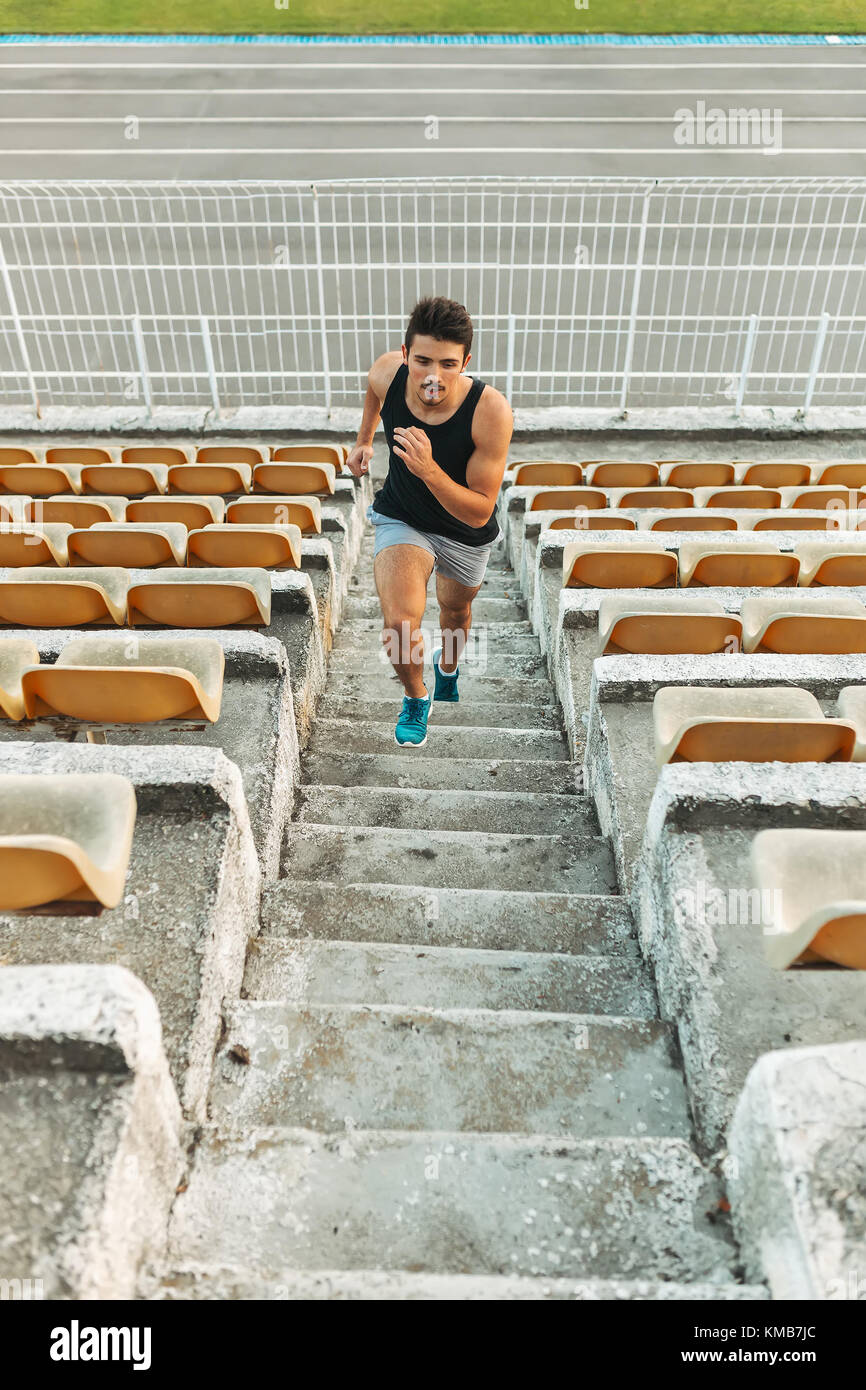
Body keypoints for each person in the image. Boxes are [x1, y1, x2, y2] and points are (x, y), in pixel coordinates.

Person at [345, 296, 514, 748]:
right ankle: (416, 697)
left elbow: (480, 509)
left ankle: (448, 667)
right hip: (403, 516)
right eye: (422, 361)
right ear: (405, 354)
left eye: (447, 364)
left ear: (465, 363)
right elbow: (374, 390)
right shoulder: (389, 372)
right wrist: (364, 440)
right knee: (400, 625)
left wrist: (429, 470)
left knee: (455, 611)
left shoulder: (490, 411)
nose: (433, 377)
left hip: (464, 532)